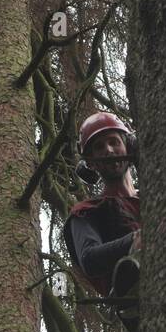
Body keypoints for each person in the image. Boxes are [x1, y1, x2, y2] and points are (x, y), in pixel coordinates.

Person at [63, 111, 141, 317]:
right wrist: (135, 240)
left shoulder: (154, 201)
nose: (108, 150)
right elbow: (89, 259)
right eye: (99, 147)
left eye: (114, 142)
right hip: (135, 299)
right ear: (91, 163)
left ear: (128, 147)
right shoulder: (87, 211)